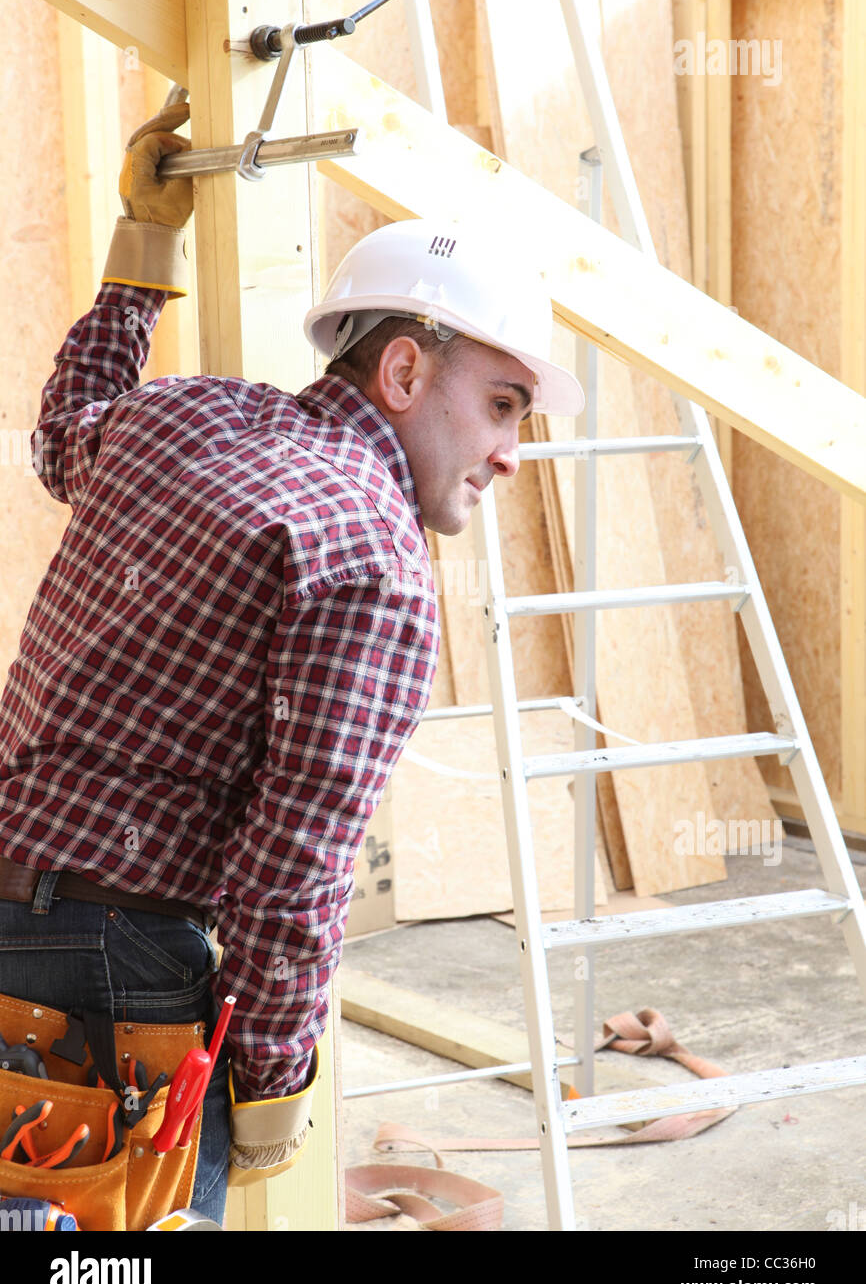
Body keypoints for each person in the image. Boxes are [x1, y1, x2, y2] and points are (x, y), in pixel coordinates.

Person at [0, 102, 583, 1226]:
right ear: (405, 369)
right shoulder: (371, 558)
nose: (512, 453)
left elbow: (63, 424)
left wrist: (143, 239)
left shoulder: (182, 417)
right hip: (125, 966)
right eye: (502, 405)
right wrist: (269, 1083)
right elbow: (292, 869)